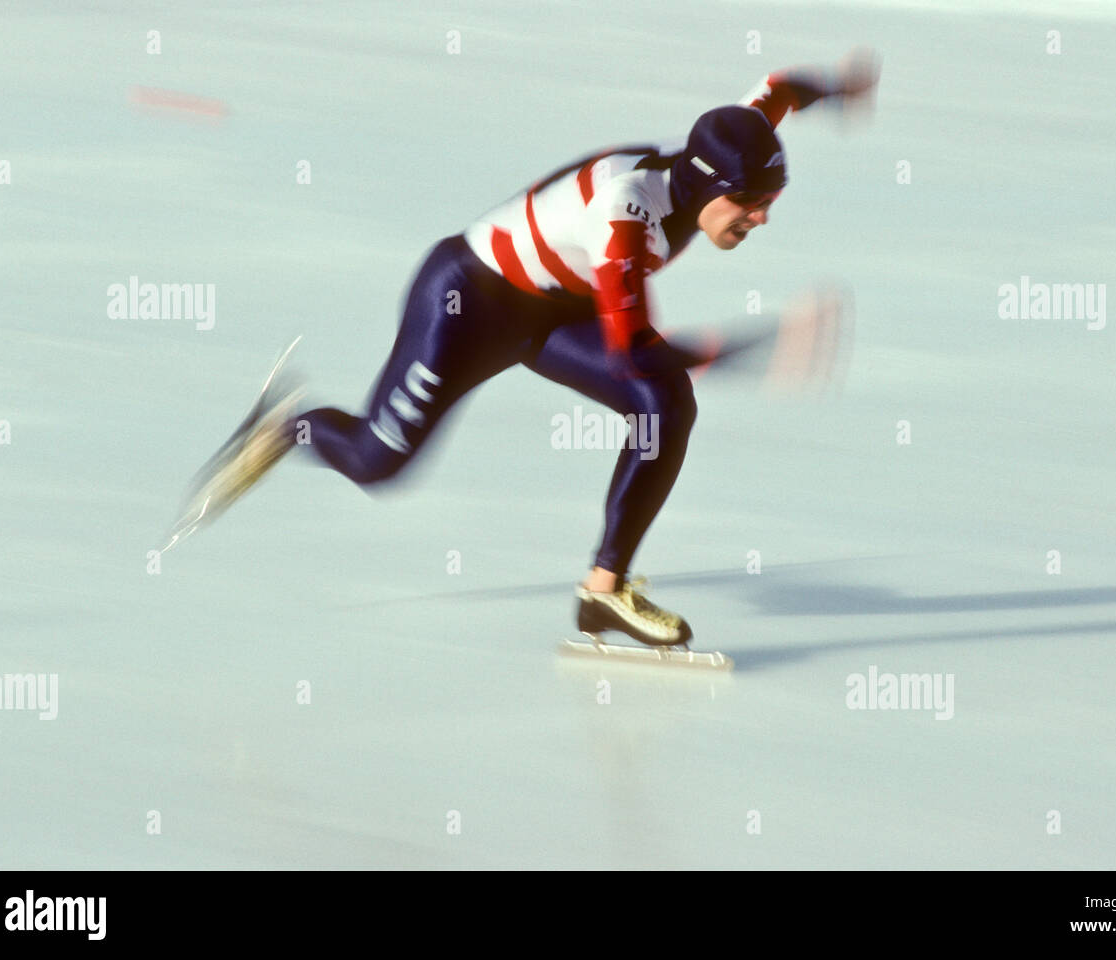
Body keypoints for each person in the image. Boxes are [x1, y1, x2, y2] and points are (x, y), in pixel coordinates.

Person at [208, 50, 880, 648]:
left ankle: (603, 591)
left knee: (664, 405)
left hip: (555, 308)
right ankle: (285, 427)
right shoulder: (624, 222)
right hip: (468, 303)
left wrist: (838, 88)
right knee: (378, 461)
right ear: (710, 186)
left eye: (770, 199)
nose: (761, 217)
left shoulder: (724, 142)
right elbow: (634, 348)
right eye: (751, 202)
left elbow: (776, 90)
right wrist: (749, 350)